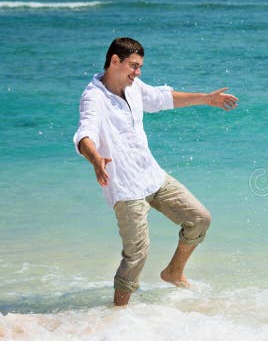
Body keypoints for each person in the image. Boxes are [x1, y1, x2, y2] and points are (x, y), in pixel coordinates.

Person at [73, 37, 238, 306]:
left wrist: (207, 99)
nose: (138, 72)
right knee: (137, 255)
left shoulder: (134, 87)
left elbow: (163, 98)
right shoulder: (93, 98)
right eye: (134, 66)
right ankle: (117, 313)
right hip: (125, 186)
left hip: (152, 175)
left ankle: (174, 271)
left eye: (139, 67)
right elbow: (84, 134)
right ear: (115, 61)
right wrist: (95, 158)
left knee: (199, 218)